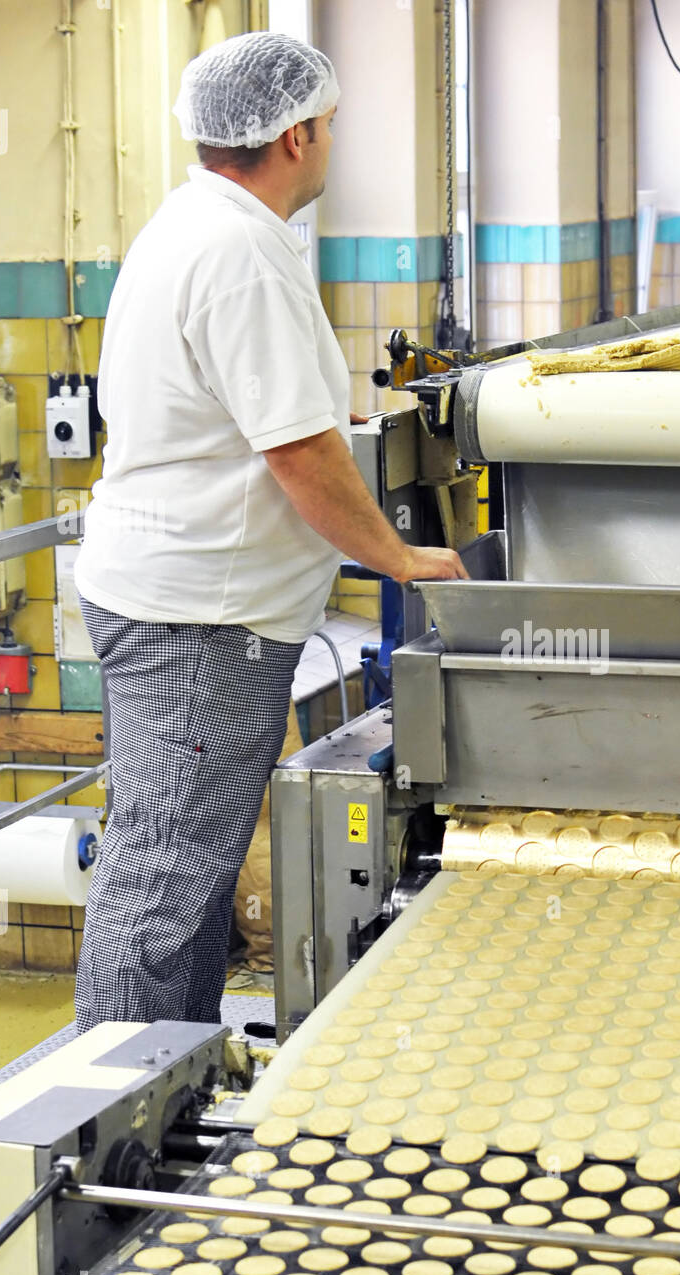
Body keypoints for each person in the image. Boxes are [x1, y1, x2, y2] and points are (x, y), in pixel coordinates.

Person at [72, 32, 466, 1030]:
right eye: (329, 126)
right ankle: (107, 1120)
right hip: (199, 617)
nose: (333, 143)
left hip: (182, 597)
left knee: (183, 873)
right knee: (160, 885)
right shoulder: (242, 253)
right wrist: (400, 556)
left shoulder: (195, 224)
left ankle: (165, 1086)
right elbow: (299, 454)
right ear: (295, 135)